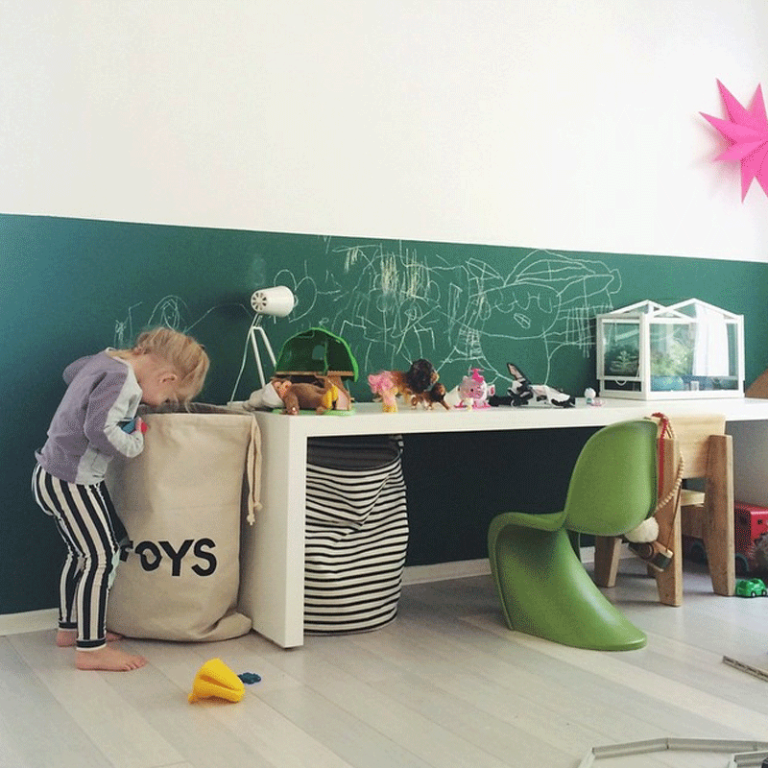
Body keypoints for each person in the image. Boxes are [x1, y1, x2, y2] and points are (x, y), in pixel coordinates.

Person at [32, 327, 210, 672]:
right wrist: (135, 440)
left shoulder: (105, 362)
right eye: (169, 397)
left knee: (79, 554)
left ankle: (70, 628)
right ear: (167, 378)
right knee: (101, 557)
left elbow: (71, 372)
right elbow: (99, 429)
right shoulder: (123, 380)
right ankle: (90, 648)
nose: (158, 404)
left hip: (50, 474)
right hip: (73, 481)